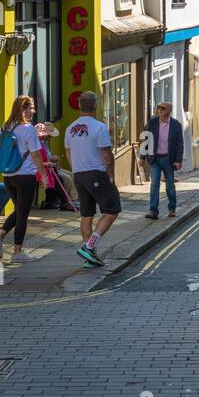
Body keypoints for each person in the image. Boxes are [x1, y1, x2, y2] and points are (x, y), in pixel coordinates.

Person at [67, 91, 122, 268]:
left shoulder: (70, 128)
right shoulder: (99, 127)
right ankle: (90, 246)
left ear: (79, 106)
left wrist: (76, 170)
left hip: (78, 175)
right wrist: (111, 173)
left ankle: (88, 257)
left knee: (86, 215)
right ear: (95, 105)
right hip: (96, 173)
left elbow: (69, 153)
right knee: (112, 210)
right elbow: (106, 152)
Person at [0, 95, 47, 262]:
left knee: (19, 210)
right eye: (31, 108)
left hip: (8, 177)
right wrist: (43, 174)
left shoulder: (4, 128)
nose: (33, 111)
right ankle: (17, 252)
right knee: (23, 215)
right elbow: (36, 154)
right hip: (25, 177)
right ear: (23, 109)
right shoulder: (28, 129)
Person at [143, 101, 182, 220]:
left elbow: (179, 144)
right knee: (154, 184)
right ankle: (153, 211)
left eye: (163, 108)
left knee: (170, 185)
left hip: (168, 159)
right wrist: (142, 157)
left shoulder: (176, 125)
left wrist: (178, 160)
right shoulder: (152, 123)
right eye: (158, 108)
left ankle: (172, 209)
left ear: (169, 111)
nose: (160, 110)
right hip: (155, 159)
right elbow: (146, 140)